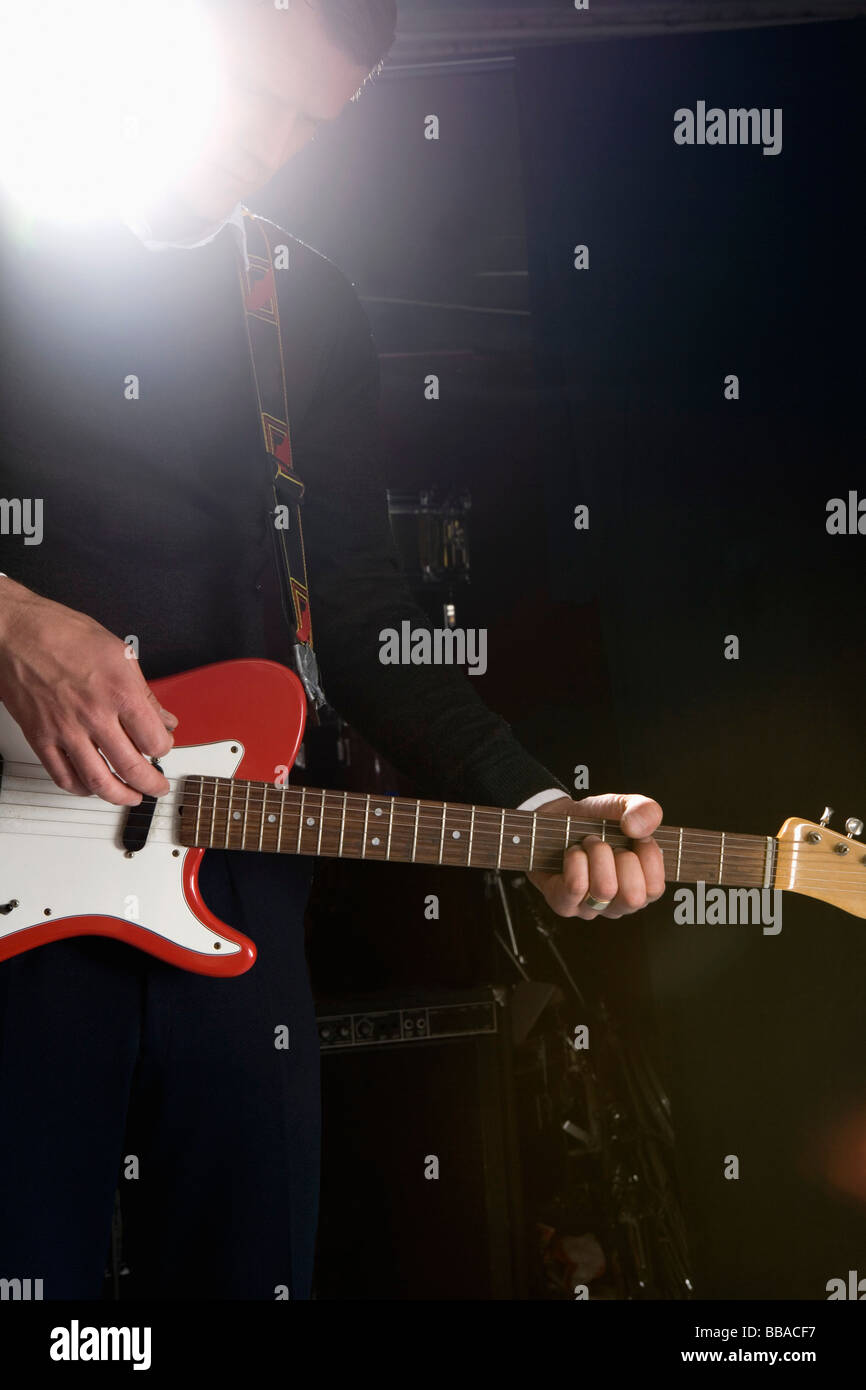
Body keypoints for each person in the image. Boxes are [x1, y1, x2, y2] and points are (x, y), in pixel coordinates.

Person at [0, 0, 664, 1299]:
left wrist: (529, 799)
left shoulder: (298, 304)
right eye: (250, 93)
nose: (267, 143)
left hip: (239, 873)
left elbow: (352, 609)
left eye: (309, 120)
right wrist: (11, 620)